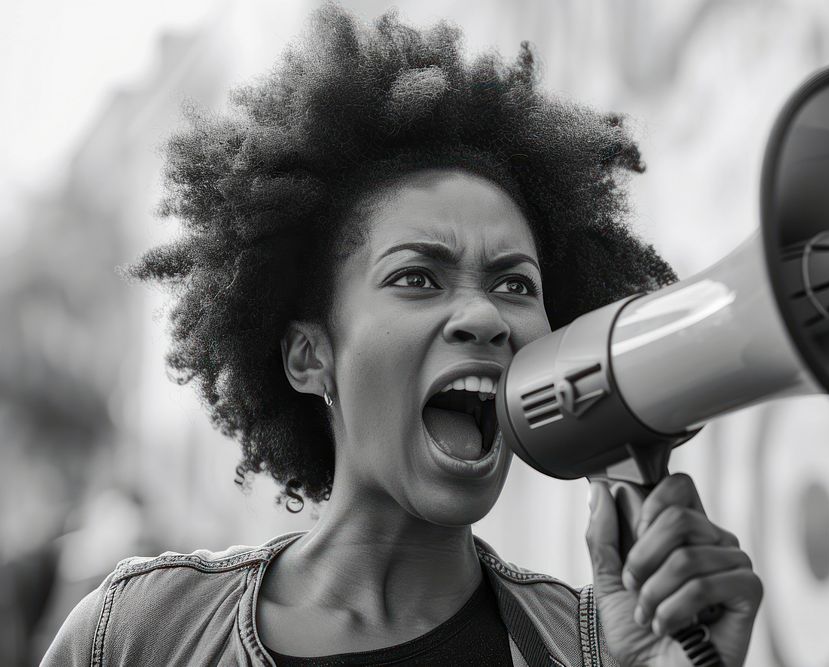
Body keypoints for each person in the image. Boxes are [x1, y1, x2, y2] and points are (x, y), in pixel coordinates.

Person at [42, 5, 762, 665]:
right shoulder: (136, 634)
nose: (485, 316)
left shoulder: (597, 646)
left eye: (517, 284)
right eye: (418, 277)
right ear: (307, 354)